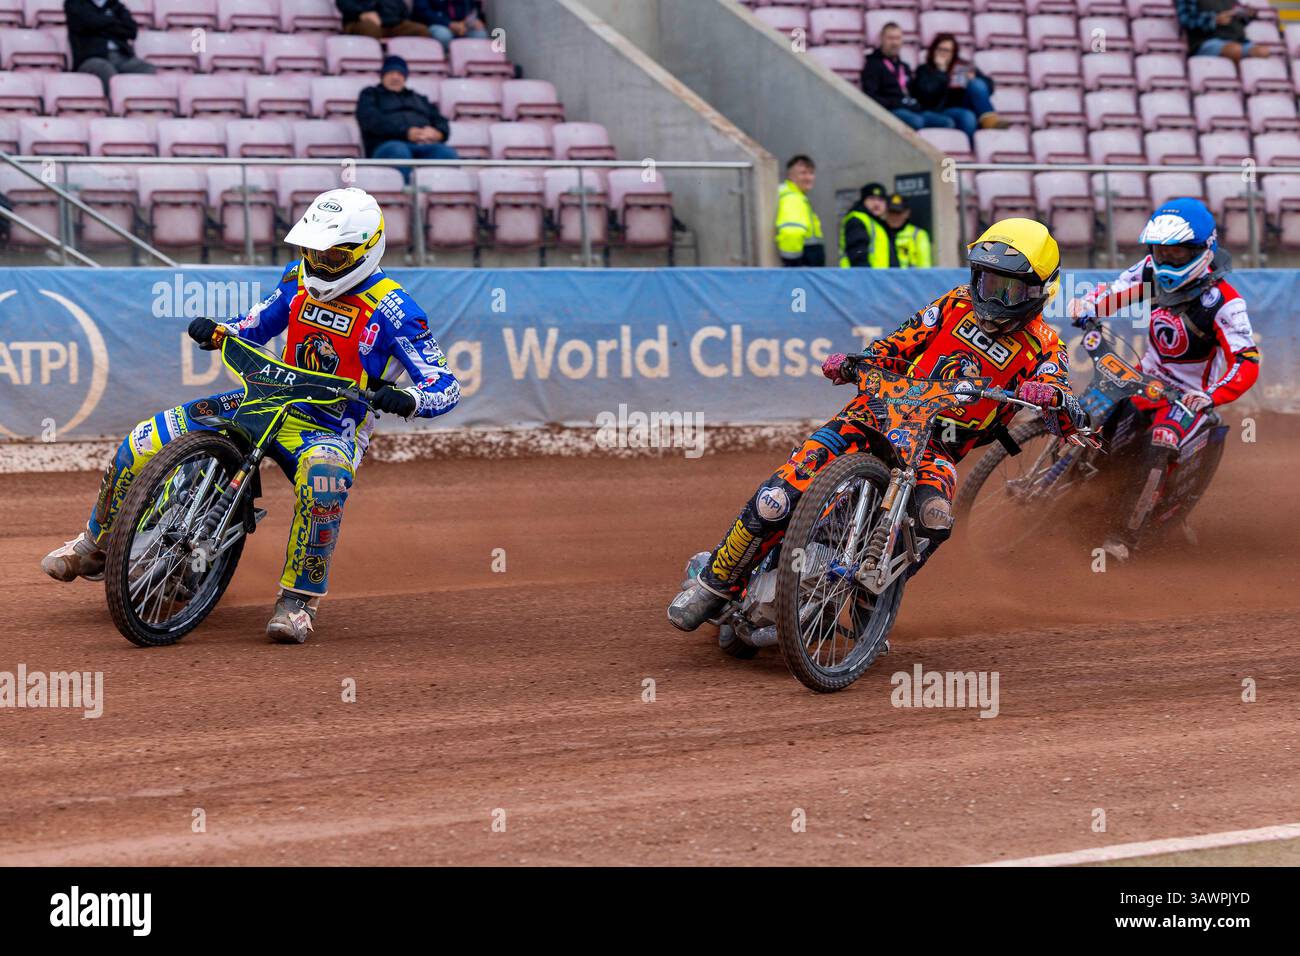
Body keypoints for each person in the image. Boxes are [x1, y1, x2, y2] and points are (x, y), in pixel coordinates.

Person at [41, 188, 462, 643]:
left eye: (333, 256)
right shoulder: (297, 278)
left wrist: (410, 399)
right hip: (264, 398)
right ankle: (96, 545)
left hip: (328, 424)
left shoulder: (396, 311)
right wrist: (221, 331)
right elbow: (256, 324)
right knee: (145, 438)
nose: (319, 264)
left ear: (365, 249)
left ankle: (298, 601)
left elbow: (446, 384)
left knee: (324, 479)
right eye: (312, 251)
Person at [668, 219, 1087, 631]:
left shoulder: (1045, 346)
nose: (993, 295)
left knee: (934, 519)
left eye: (1009, 288)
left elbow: (1061, 400)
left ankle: (870, 614)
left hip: (933, 451)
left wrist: (1053, 397)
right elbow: (897, 343)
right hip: (870, 417)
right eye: (988, 281)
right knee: (777, 496)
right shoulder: (954, 304)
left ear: (1039, 291)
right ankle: (714, 585)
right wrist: (856, 362)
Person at [1068, 198, 1259, 560]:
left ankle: (1123, 538)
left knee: (1163, 437)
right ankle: (1061, 485)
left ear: (1205, 249)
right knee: (1093, 407)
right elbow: (1113, 292)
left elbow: (1246, 361)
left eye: (1177, 253)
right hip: (1146, 380)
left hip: (1186, 397)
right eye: (1160, 251)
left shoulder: (1225, 303)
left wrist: (1212, 396)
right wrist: (1088, 306)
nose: (1166, 260)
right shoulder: (1150, 272)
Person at [357, 55, 458, 182]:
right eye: (391, 73)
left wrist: (437, 133)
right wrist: (406, 132)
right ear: (382, 75)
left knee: (447, 153)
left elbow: (441, 121)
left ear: (405, 77)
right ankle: (405, 197)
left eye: (399, 73)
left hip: (423, 146)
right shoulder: (370, 94)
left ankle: (436, 198)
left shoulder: (419, 98)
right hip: (385, 146)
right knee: (399, 151)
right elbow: (371, 121)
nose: (395, 77)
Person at [910, 32, 1007, 143]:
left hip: (963, 104)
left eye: (947, 51)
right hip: (939, 109)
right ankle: (970, 149)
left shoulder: (961, 66)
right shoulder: (924, 70)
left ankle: (990, 121)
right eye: (941, 49)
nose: (943, 53)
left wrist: (972, 78)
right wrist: (941, 71)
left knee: (976, 83)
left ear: (953, 53)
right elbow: (926, 95)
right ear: (934, 50)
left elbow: (989, 87)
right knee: (968, 116)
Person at [861, 22, 954, 132]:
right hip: (891, 110)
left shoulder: (904, 66)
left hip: (911, 109)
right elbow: (870, 96)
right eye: (890, 38)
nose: (895, 42)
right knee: (916, 121)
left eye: (898, 38)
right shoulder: (873, 65)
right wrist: (895, 103)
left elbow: (915, 93)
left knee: (947, 122)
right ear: (882, 39)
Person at [65, 0, 156, 97]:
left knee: (147, 68)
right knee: (106, 69)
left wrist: (100, 24)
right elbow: (89, 22)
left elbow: (132, 31)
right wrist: (113, 22)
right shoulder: (75, 3)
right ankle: (114, 106)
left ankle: (141, 106)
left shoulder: (115, 5)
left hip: (121, 57)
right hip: (91, 58)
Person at [1176, 0, 1269, 61]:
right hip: (1206, 41)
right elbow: (1186, 20)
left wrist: (1248, 14)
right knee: (1235, 50)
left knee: (1263, 52)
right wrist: (1214, 19)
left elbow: (1237, 16)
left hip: (1236, 39)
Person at [775, 155, 825, 267]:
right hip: (803, 271)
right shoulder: (793, 198)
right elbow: (791, 232)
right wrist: (795, 266)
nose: (808, 177)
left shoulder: (795, 196)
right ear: (790, 176)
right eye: (803, 173)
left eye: (811, 173)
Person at [839, 182, 890, 268]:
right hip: (863, 278)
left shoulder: (877, 223)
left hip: (876, 279)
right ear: (863, 201)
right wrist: (866, 279)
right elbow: (858, 256)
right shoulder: (857, 220)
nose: (876, 204)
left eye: (881, 200)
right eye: (872, 199)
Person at [414, 0, 488, 52]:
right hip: (437, 24)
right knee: (444, 35)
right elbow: (422, 12)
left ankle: (473, 67)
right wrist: (449, 24)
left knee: (480, 34)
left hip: (463, 25)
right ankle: (446, 64)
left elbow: (474, 8)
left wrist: (474, 20)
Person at [883, 193, 932, 268]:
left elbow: (925, 267)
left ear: (907, 213)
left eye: (898, 213)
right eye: (891, 212)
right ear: (885, 212)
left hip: (910, 279)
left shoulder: (918, 235)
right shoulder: (879, 232)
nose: (894, 216)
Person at [337, 0, 430, 39]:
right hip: (358, 21)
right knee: (370, 29)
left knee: (420, 30)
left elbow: (402, 8)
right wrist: (361, 13)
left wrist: (401, 19)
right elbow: (343, 3)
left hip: (391, 24)